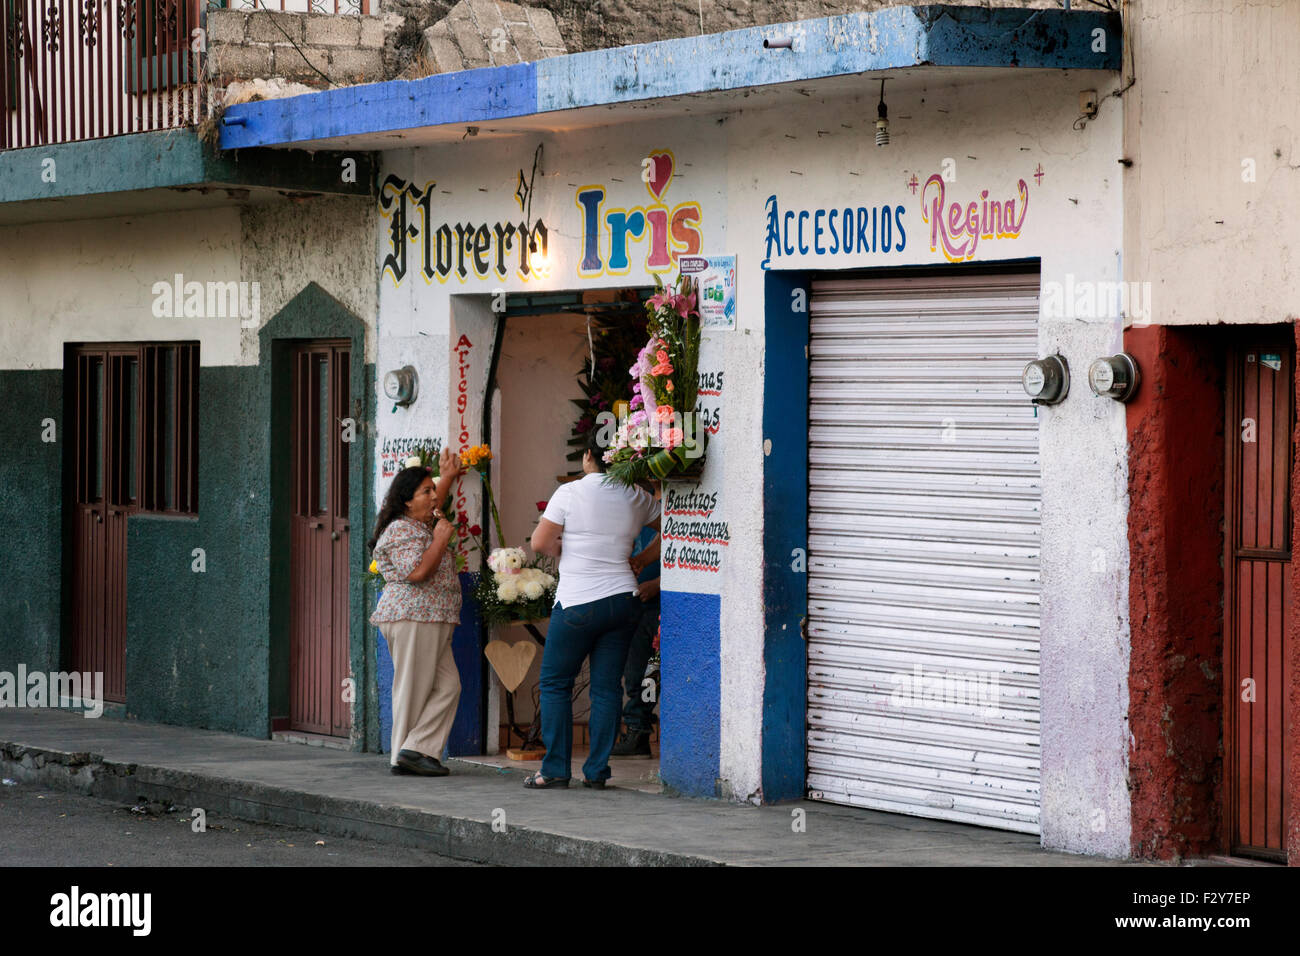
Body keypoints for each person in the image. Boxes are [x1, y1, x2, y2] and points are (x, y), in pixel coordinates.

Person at [525, 430, 660, 789]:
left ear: (588, 456)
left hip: (578, 602)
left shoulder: (570, 492)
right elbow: (677, 526)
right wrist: (642, 559)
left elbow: (539, 542)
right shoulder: (636, 495)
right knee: (606, 688)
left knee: (555, 683)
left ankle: (554, 771)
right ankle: (597, 772)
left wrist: (564, 552)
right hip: (623, 601)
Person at [368, 447, 465, 777]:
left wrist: (448, 476)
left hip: (430, 618)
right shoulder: (401, 529)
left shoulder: (417, 524)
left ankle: (417, 750)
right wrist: (439, 540)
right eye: (426, 491)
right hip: (413, 617)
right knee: (412, 689)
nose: (434, 496)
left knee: (448, 687)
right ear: (407, 501)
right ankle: (402, 757)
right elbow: (417, 573)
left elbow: (435, 500)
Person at [611, 523, 660, 758]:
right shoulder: (640, 508)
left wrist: (658, 584)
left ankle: (638, 731)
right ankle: (636, 732)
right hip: (636, 606)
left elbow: (686, 557)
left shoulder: (672, 508)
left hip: (661, 607)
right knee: (635, 674)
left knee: (652, 674)